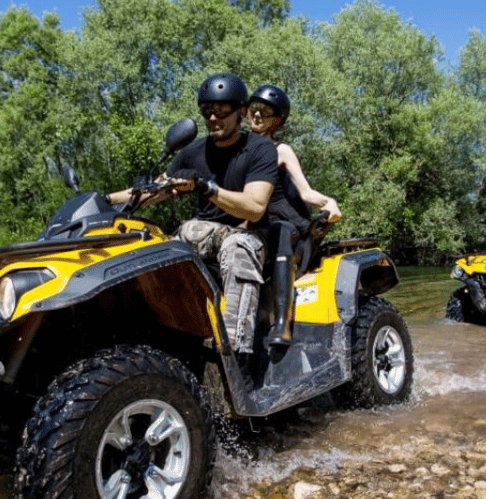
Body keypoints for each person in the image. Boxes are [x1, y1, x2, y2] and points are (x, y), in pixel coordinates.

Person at [107, 73, 278, 357]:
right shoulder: (192, 152)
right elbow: (156, 190)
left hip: (252, 235)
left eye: (222, 111)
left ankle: (235, 352)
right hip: (207, 235)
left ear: (242, 113)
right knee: (160, 244)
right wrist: (106, 199)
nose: (213, 118)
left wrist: (206, 187)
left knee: (238, 247)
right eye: (207, 111)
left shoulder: (260, 149)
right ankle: (153, 340)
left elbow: (255, 206)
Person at [245, 84, 342, 346]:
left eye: (265, 112)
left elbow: (307, 193)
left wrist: (329, 203)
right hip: (256, 230)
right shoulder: (239, 152)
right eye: (254, 109)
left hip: (290, 232)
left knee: (280, 231)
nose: (257, 115)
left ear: (277, 122)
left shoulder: (281, 150)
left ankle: (282, 324)